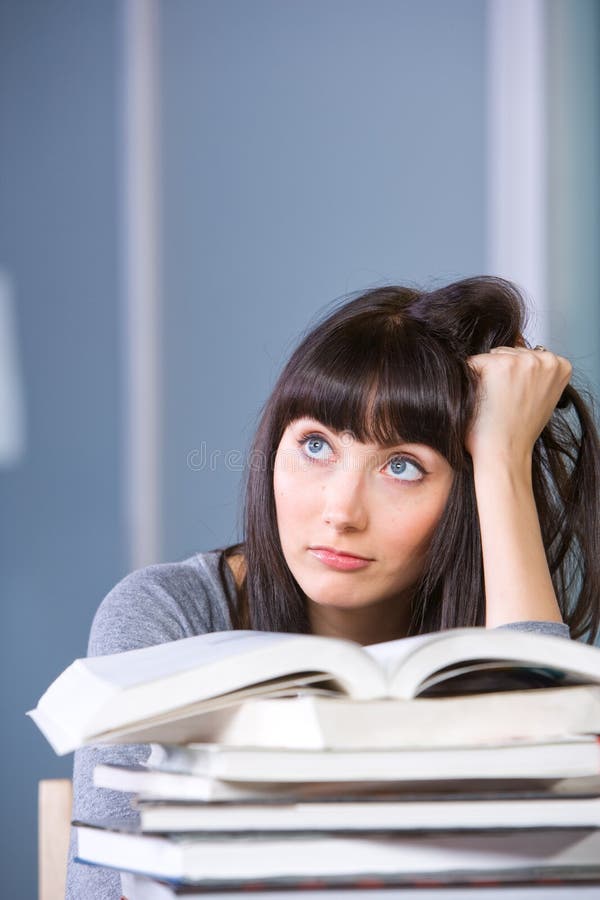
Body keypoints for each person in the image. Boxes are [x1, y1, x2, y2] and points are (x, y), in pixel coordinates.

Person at [66, 275, 600, 899]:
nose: (341, 512)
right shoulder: (170, 615)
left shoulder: (504, 616)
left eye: (402, 466)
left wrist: (504, 461)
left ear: (467, 493)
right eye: (315, 445)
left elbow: (552, 861)